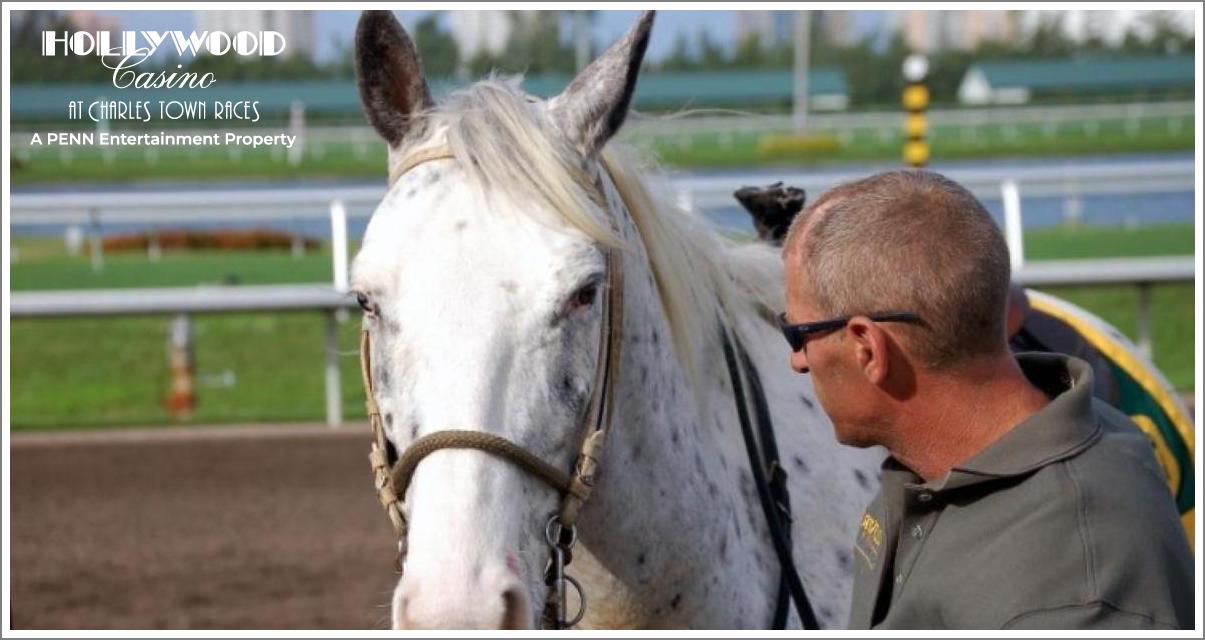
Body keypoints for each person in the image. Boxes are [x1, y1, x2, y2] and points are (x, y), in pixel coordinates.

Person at [778, 170, 1192, 630]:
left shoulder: (1069, 599)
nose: (797, 360)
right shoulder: (953, 463)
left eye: (798, 334)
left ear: (867, 349)